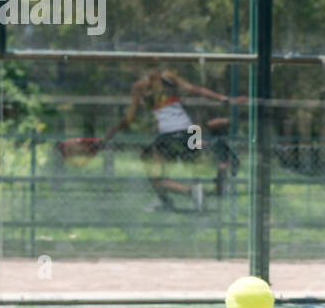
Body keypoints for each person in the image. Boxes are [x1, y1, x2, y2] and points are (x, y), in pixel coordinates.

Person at [102, 65, 244, 212]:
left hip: (170, 133)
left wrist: (113, 130)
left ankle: (189, 193)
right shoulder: (168, 77)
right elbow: (196, 90)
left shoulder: (139, 86)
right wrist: (224, 99)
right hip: (189, 130)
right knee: (190, 167)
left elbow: (130, 118)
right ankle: (184, 195)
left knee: (155, 175)